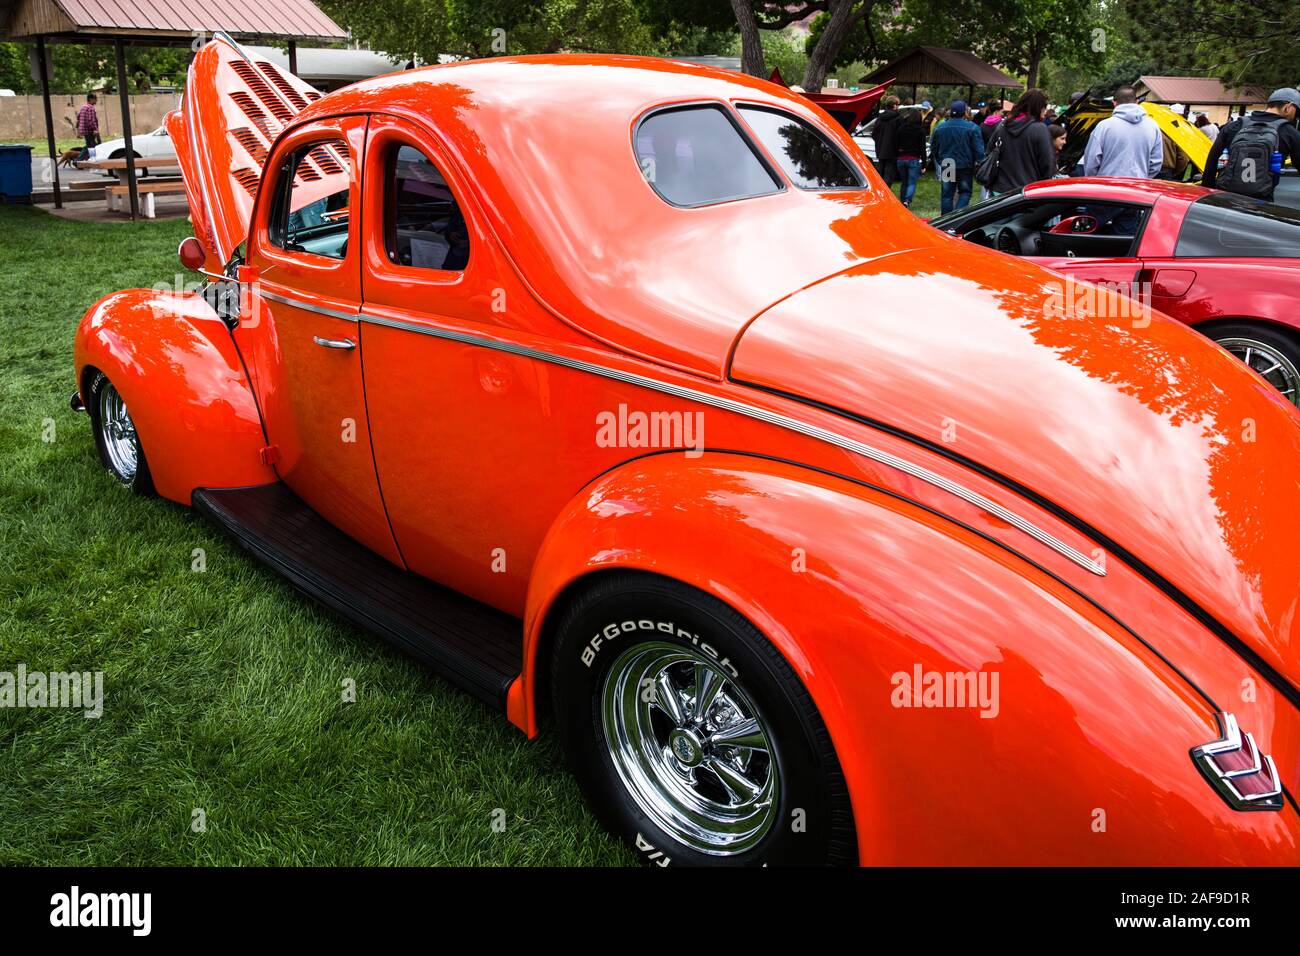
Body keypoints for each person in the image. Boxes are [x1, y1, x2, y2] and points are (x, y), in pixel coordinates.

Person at [1201, 88, 1300, 201]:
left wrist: (1207, 196)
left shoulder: (1233, 126)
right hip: (1262, 201)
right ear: (1288, 107)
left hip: (1225, 198)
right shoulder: (1289, 133)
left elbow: (1211, 162)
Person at [1083, 85, 1162, 179]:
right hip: (1138, 186)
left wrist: (1095, 180)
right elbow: (1156, 163)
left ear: (1114, 103)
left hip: (1108, 187)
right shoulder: (1153, 126)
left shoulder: (1103, 127)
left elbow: (1091, 162)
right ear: (1137, 102)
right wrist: (1143, 177)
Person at [987, 88, 1056, 195]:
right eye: (1045, 106)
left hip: (999, 193)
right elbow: (1047, 165)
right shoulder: (1040, 129)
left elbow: (989, 152)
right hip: (1026, 195)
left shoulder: (1003, 125)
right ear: (1039, 107)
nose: (1046, 110)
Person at [929, 100, 984, 213]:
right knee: (965, 192)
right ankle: (957, 216)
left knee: (947, 195)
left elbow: (933, 147)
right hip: (965, 164)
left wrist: (940, 160)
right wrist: (979, 162)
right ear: (964, 112)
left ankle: (946, 220)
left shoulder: (940, 128)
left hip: (948, 163)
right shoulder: (972, 128)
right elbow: (979, 150)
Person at [895, 109, 927, 208]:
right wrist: (924, 164)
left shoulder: (901, 128)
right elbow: (922, 148)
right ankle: (907, 200)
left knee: (904, 182)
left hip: (901, 158)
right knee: (912, 182)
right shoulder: (921, 131)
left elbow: (896, 143)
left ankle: (902, 201)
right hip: (913, 158)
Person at [871, 96, 902, 191]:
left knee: (881, 173)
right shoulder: (898, 119)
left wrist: (879, 142)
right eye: (898, 104)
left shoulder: (880, 118)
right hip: (892, 150)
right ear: (894, 105)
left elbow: (874, 134)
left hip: (880, 149)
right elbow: (900, 134)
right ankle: (885, 193)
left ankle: (879, 192)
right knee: (889, 175)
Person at [75, 92, 99, 162]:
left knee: (90, 145)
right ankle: (78, 160)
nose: (96, 101)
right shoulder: (90, 108)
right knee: (92, 146)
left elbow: (78, 117)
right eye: (95, 99)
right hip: (89, 130)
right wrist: (95, 129)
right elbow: (91, 120)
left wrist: (79, 129)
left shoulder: (83, 107)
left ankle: (90, 159)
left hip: (84, 130)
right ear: (91, 99)